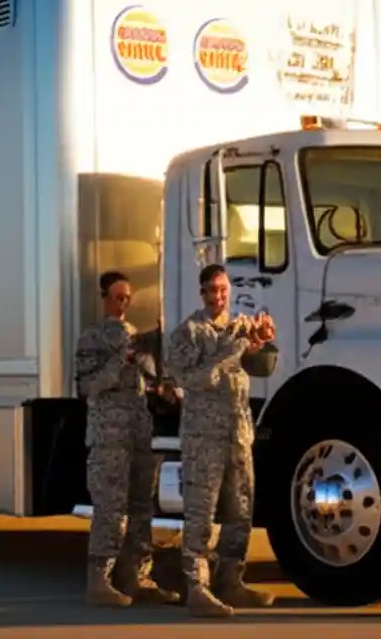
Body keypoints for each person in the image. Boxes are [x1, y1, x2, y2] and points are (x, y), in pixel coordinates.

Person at [166, 263, 277, 618]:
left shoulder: (238, 327)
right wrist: (231, 349)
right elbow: (189, 378)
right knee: (200, 512)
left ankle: (231, 580)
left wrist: (260, 341)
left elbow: (264, 367)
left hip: (238, 433)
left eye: (223, 290)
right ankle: (197, 587)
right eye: (212, 291)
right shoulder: (189, 333)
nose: (218, 297)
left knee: (241, 511)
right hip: (204, 437)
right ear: (202, 294)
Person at [75, 271, 180, 607]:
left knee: (141, 508)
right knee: (110, 508)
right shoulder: (92, 339)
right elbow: (86, 386)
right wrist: (121, 360)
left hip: (138, 433)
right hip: (109, 436)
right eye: (118, 297)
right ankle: (99, 579)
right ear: (104, 297)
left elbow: (144, 384)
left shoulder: (137, 337)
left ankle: (137, 575)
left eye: (128, 298)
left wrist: (160, 390)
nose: (124, 304)